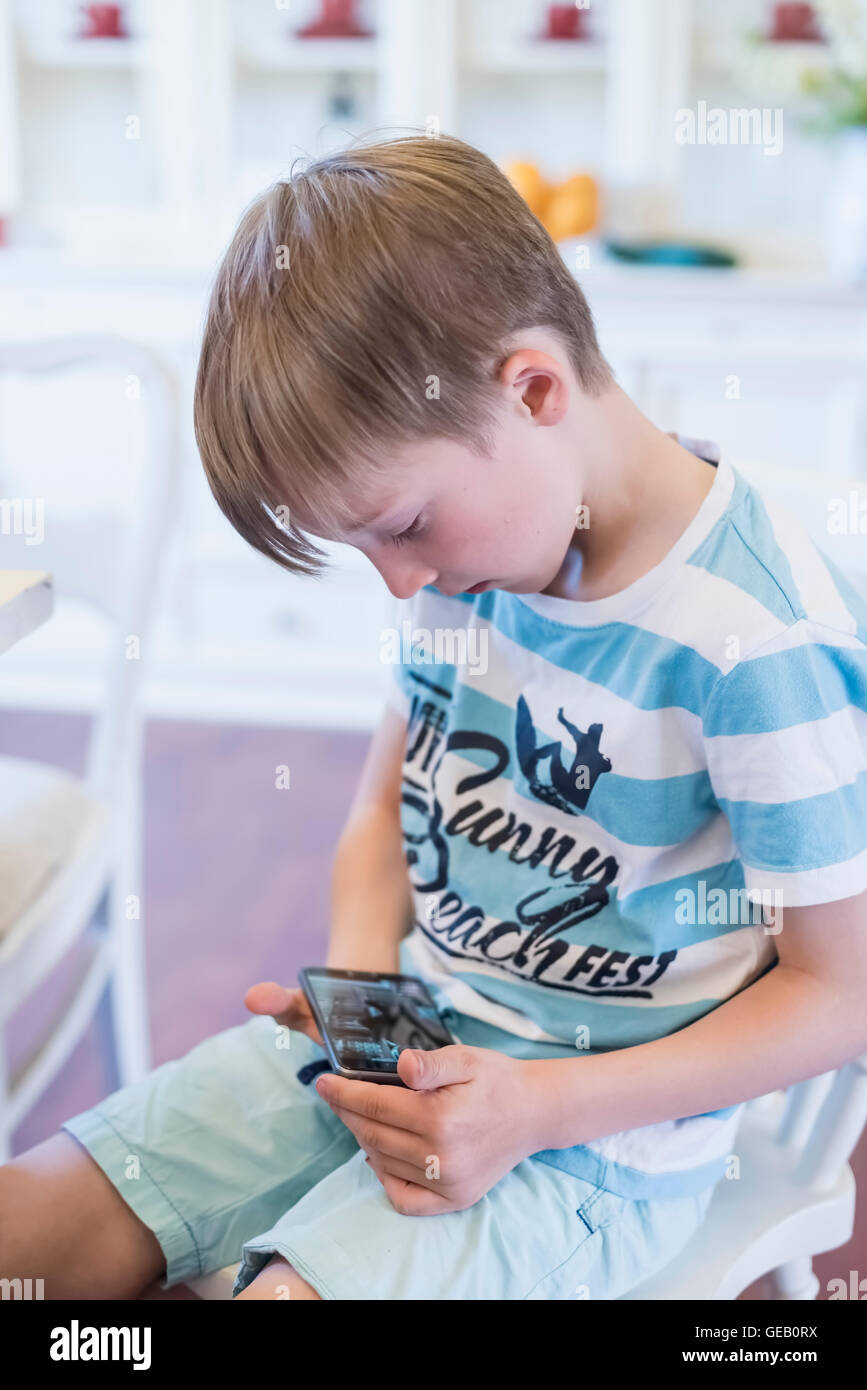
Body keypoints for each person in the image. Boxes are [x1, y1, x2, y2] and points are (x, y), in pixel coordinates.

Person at [3, 132, 867, 1301]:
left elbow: (840, 994)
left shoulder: (753, 640)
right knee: (31, 1221)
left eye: (402, 527)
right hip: (412, 1046)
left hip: (595, 1147)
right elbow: (383, 809)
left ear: (534, 389)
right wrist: (363, 1003)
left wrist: (535, 1104)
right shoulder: (479, 576)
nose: (400, 586)